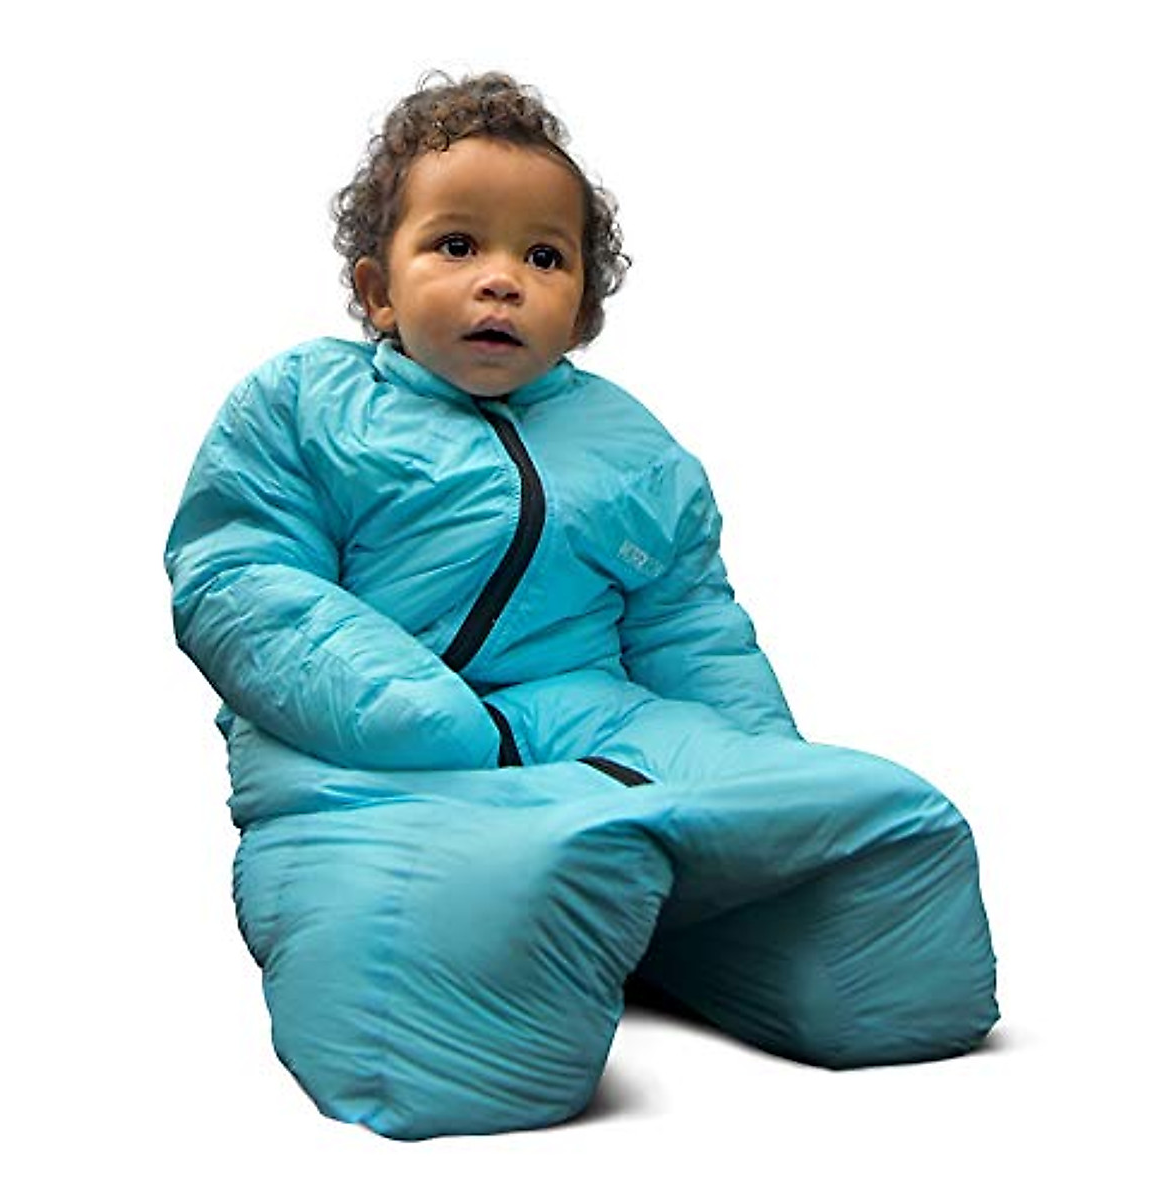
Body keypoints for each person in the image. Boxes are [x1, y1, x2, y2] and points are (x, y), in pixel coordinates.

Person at [165, 71, 998, 1140]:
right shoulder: (304, 406)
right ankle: (568, 886)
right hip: (370, 758)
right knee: (462, 933)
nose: (502, 281)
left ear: (583, 311)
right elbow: (241, 574)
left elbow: (686, 620)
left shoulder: (627, 444)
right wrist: (415, 712)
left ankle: (674, 887)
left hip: (597, 722)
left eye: (544, 258)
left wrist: (761, 771)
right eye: (457, 245)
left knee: (877, 817)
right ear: (379, 290)